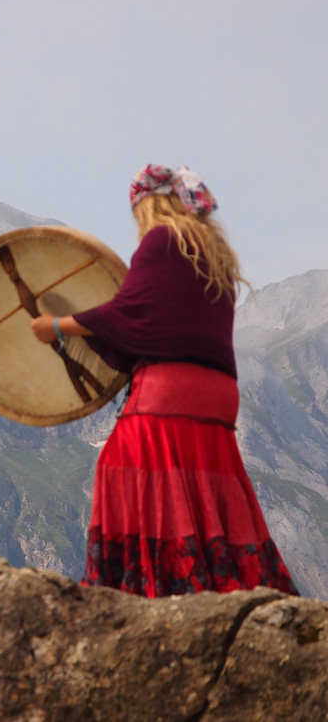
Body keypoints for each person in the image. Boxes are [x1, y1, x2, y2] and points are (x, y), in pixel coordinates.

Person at [30, 164, 298, 597]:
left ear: (148, 204)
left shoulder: (162, 241)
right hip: (218, 395)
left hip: (171, 388)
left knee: (121, 465)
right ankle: (220, 581)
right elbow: (161, 322)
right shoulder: (215, 258)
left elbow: (132, 314)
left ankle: (148, 586)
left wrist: (58, 326)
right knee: (201, 479)